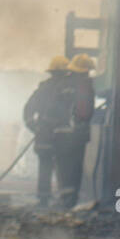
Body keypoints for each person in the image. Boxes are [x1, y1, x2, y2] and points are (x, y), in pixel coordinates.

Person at [24, 55, 75, 207]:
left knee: (45, 165)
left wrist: (34, 127)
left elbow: (28, 109)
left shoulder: (42, 88)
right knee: (63, 166)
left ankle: (43, 198)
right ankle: (65, 199)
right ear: (64, 72)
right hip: (60, 134)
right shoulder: (67, 89)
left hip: (43, 134)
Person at [54, 54, 96, 209]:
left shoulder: (61, 84)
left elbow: (53, 108)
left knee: (62, 167)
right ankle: (70, 202)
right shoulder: (84, 85)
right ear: (85, 71)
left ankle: (64, 200)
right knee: (75, 167)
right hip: (77, 134)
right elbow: (84, 112)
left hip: (60, 133)